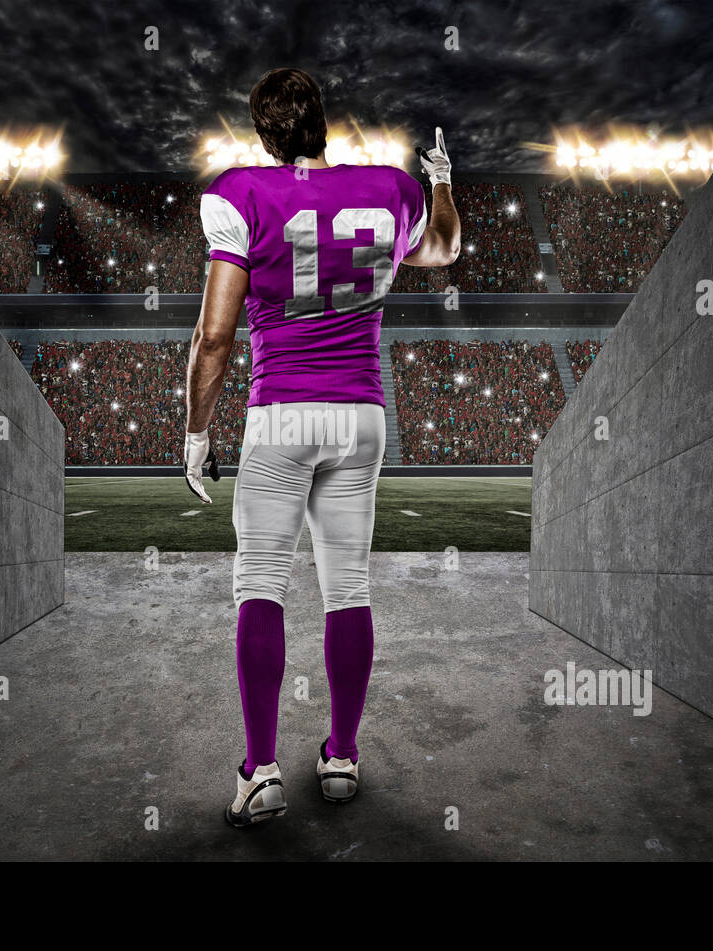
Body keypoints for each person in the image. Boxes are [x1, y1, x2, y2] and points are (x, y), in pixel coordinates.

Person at [180, 66, 461, 827]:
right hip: (360, 413)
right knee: (348, 586)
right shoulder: (390, 188)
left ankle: (261, 771)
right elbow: (442, 249)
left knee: (261, 583)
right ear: (323, 122)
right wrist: (440, 182)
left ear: (265, 133)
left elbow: (214, 336)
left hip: (282, 411)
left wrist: (198, 432)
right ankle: (340, 757)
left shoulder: (240, 193)